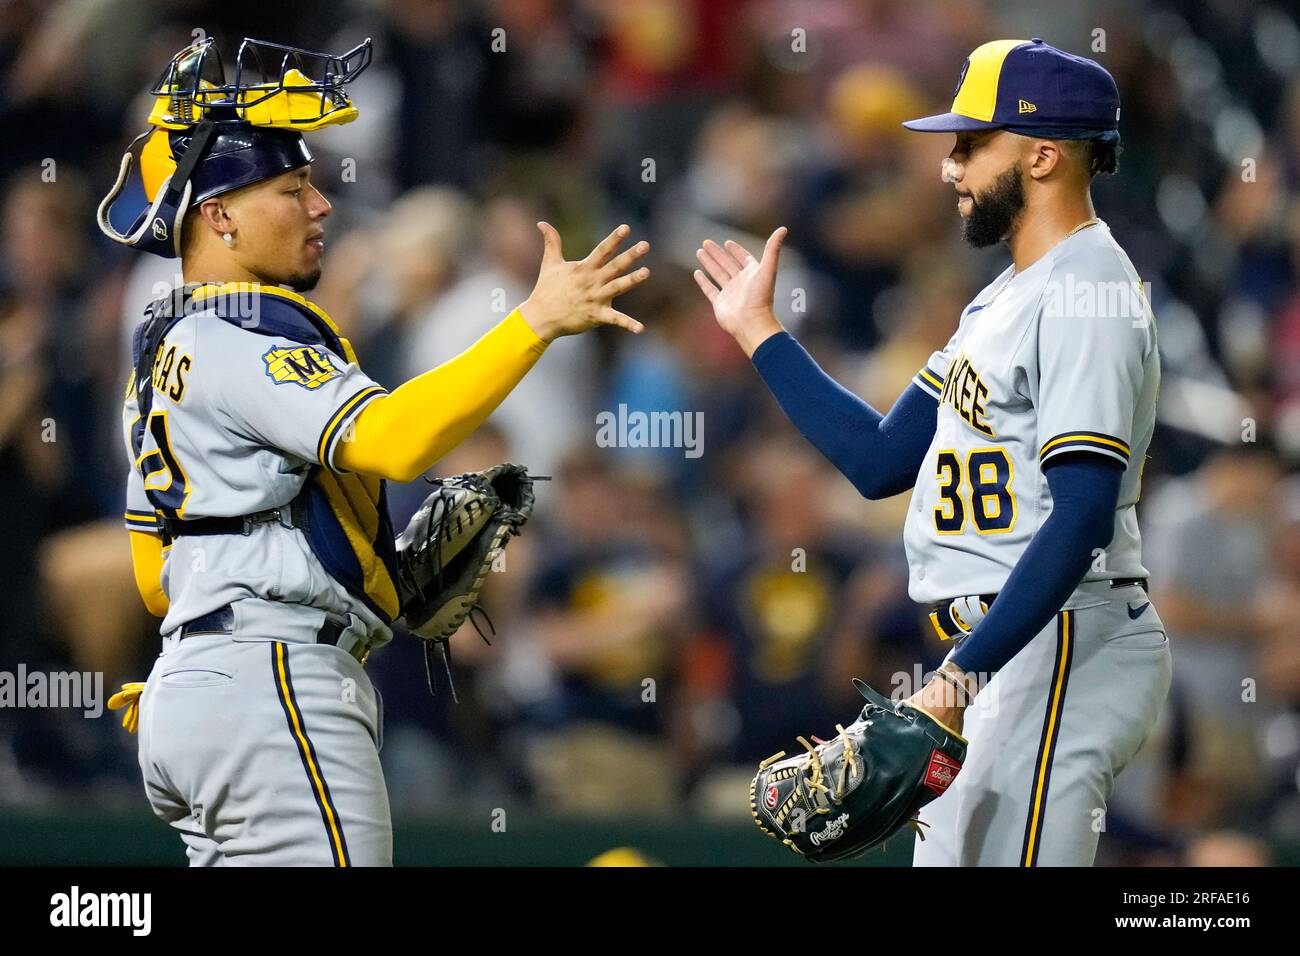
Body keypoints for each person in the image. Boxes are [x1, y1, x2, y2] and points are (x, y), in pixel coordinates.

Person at [100, 36, 649, 866]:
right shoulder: (243, 328)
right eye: (292, 188)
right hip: (275, 686)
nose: (321, 206)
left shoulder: (163, 349)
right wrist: (537, 319)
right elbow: (395, 442)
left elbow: (152, 579)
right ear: (218, 214)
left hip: (192, 695)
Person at [694, 38, 1169, 866]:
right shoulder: (1005, 297)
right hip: (999, 648)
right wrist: (761, 333)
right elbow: (879, 460)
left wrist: (961, 676)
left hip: (1055, 640)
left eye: (970, 145)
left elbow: (1084, 514)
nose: (949, 168)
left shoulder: (1088, 293)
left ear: (1044, 155)